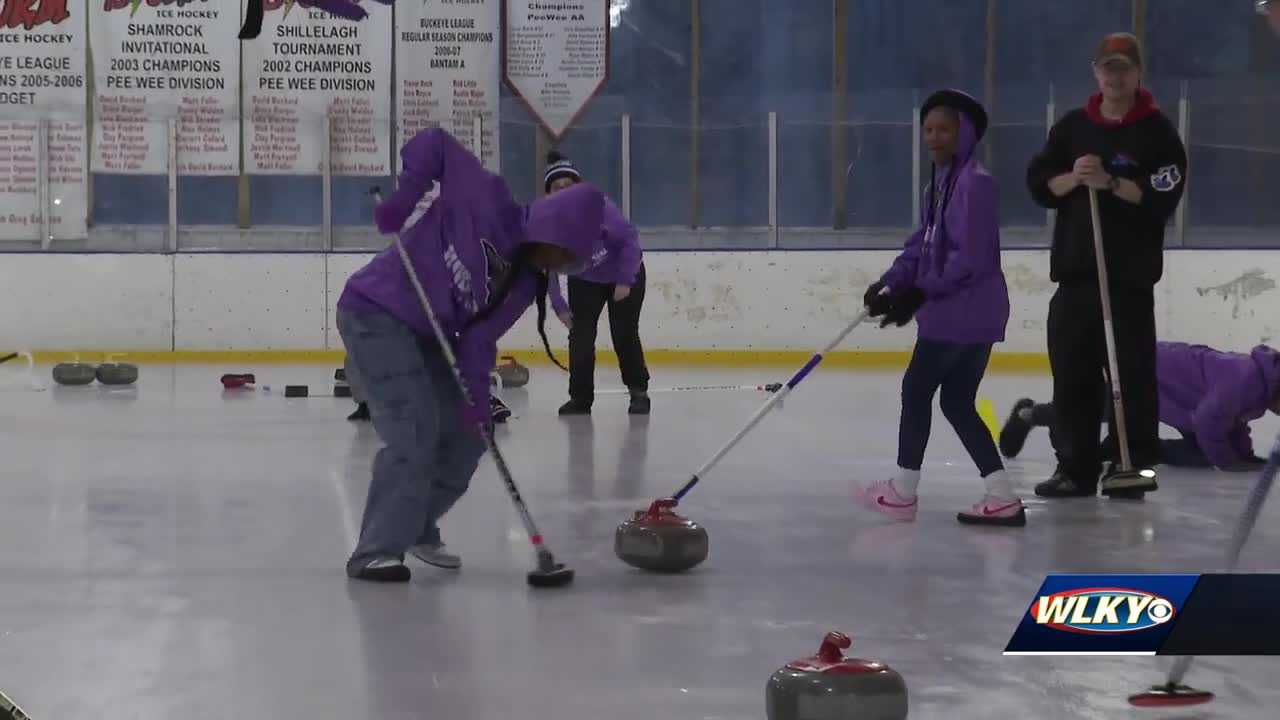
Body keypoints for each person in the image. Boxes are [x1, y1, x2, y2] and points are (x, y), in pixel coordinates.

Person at [337, 128, 603, 582]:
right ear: (551, 228)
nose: (562, 265)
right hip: (377, 314)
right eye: (564, 253)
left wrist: (476, 401)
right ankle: (376, 551)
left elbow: (478, 339)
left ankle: (416, 527)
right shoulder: (488, 198)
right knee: (415, 430)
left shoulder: (524, 284)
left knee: (466, 440)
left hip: (431, 334)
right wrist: (405, 200)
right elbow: (433, 143)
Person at [1025, 32, 1188, 499]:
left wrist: (1111, 182)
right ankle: (1074, 467)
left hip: (1128, 278)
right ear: (1096, 71)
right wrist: (1073, 178)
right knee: (1072, 375)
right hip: (1077, 273)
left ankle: (1129, 464)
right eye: (1107, 66)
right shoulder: (1073, 127)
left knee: (1131, 374)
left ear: (1137, 73)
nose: (1114, 75)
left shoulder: (1157, 132)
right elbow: (1039, 184)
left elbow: (1162, 197)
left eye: (1123, 67)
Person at [857, 89, 1020, 526]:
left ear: (964, 132)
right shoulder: (940, 185)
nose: (933, 137)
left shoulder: (976, 184)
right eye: (928, 129)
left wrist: (920, 293)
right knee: (957, 403)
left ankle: (903, 491)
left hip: (964, 312)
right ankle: (1001, 493)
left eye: (944, 129)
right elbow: (920, 246)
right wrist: (891, 282)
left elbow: (970, 257)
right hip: (957, 312)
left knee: (917, 392)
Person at [1000, 342, 1280, 471]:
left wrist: (1244, 454)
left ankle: (1135, 451)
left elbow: (1231, 422)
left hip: (1183, 396)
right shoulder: (1246, 380)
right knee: (1097, 410)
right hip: (1150, 369)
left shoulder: (1262, 387)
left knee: (1203, 454)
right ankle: (1030, 414)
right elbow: (1210, 421)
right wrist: (1231, 461)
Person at [542, 151, 651, 416]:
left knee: (623, 333)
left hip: (625, 272)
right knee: (580, 336)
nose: (563, 192)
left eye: (569, 186)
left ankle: (639, 392)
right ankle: (580, 398)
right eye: (556, 188)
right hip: (586, 278)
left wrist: (624, 281)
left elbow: (629, 242)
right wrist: (559, 306)